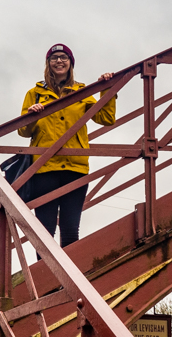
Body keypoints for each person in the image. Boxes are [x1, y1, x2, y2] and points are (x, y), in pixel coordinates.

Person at [19, 43, 116, 248]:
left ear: (71, 63)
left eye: (64, 57)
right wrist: (32, 115)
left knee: (70, 229)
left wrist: (107, 89)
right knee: (44, 232)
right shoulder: (34, 94)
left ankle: (68, 281)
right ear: (48, 64)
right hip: (43, 168)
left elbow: (106, 118)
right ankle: (47, 280)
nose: (59, 61)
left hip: (75, 168)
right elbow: (23, 131)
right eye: (54, 58)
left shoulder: (82, 92)